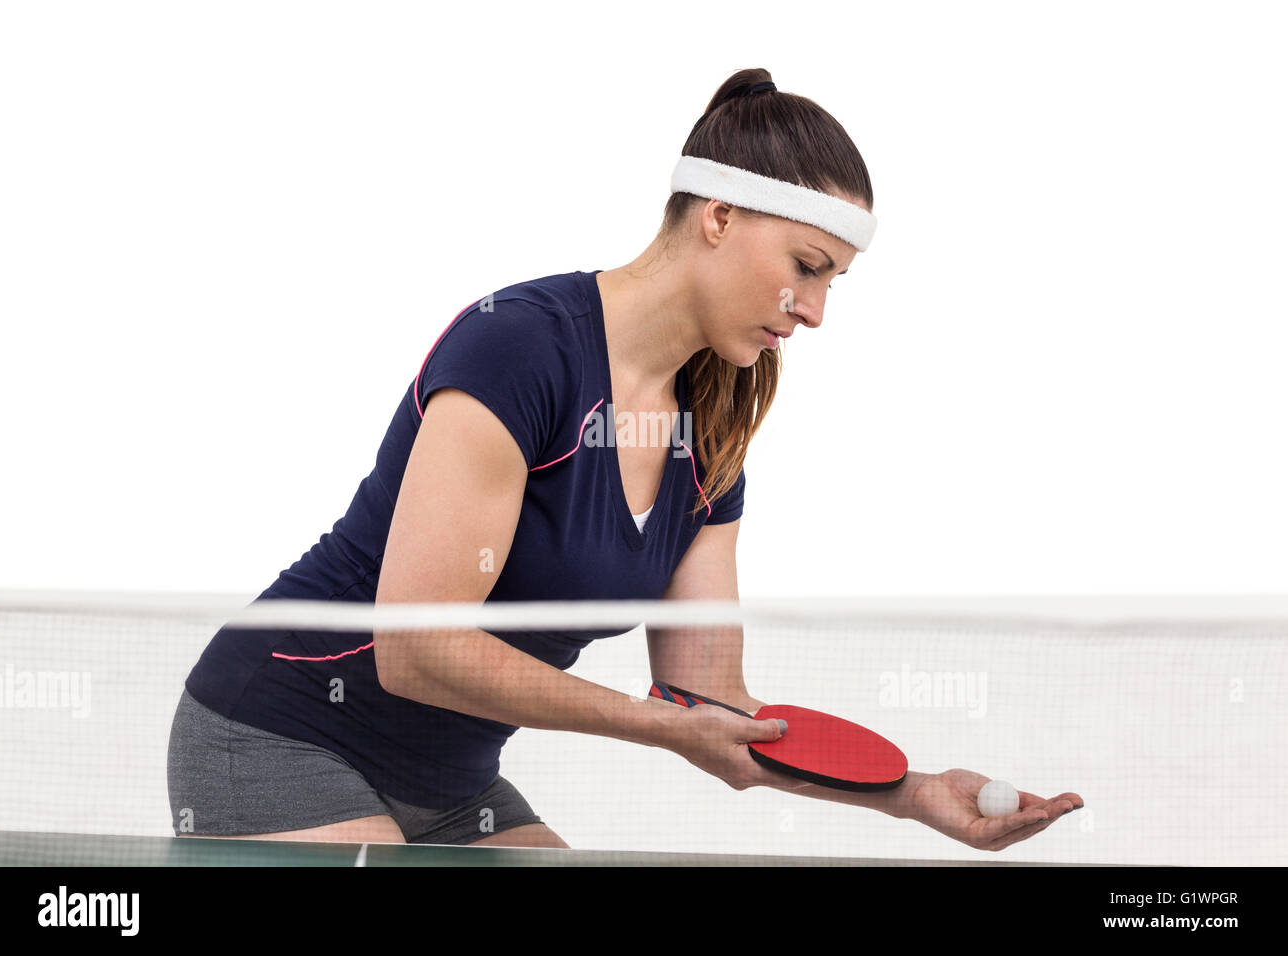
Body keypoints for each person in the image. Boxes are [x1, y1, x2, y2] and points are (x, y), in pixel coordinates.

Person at [168, 68, 1082, 852]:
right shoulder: (520, 350)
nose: (814, 310)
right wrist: (657, 729)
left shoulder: (711, 434)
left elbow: (710, 705)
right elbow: (415, 651)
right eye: (806, 265)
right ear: (720, 215)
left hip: (448, 788)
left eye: (832, 281)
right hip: (279, 735)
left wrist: (912, 794)